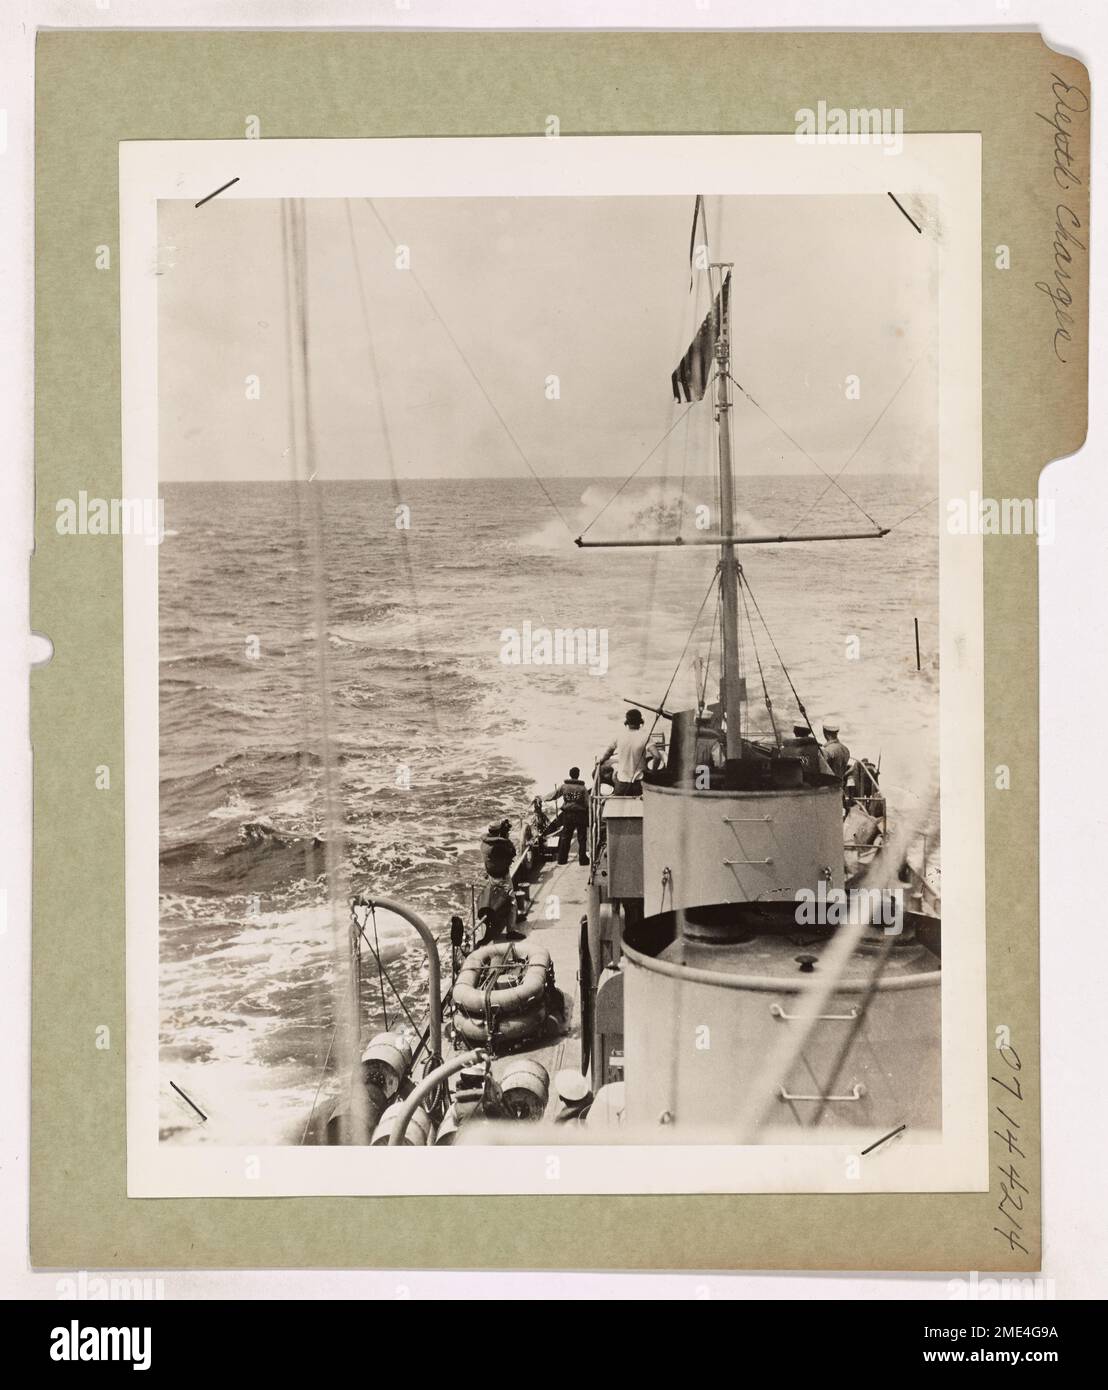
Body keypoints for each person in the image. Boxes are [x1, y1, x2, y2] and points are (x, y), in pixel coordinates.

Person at [599, 708, 651, 796]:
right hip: (639, 782)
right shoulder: (645, 736)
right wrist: (651, 772)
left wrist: (601, 761)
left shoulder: (619, 736)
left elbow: (608, 753)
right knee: (639, 806)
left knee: (620, 806)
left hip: (622, 782)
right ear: (640, 722)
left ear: (627, 722)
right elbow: (656, 756)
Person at [544, 766, 590, 865]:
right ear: (578, 775)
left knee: (566, 837)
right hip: (580, 815)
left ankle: (562, 859)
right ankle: (583, 859)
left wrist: (543, 798)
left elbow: (553, 795)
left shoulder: (564, 787)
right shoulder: (583, 788)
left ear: (570, 775)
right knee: (582, 838)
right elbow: (587, 803)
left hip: (568, 815)